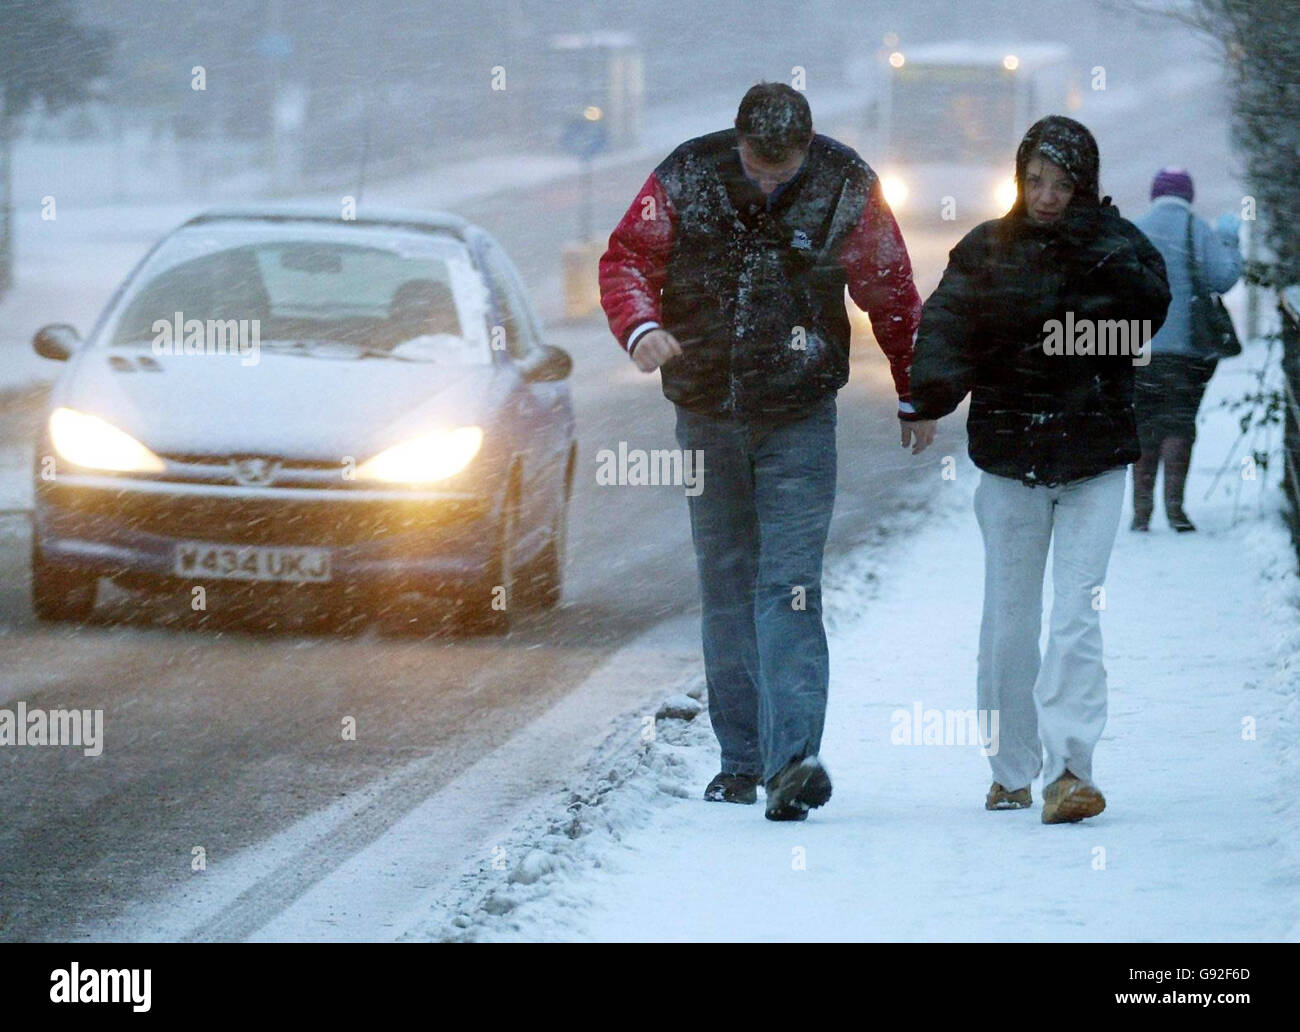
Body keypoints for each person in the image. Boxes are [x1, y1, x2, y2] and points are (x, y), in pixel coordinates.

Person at [598, 82, 933, 821]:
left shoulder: (845, 184)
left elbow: (891, 290)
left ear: (808, 146)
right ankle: (739, 761)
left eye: (786, 170)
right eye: (760, 165)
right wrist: (641, 326)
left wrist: (915, 391)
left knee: (789, 584)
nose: (773, 181)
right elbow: (626, 259)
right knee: (727, 584)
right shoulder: (687, 175)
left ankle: (792, 761)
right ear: (740, 139)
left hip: (799, 412)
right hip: (706, 412)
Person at [909, 115, 1170, 824]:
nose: (1048, 196)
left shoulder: (1119, 245)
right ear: (1020, 179)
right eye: (1036, 182)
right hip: (1011, 457)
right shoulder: (987, 249)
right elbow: (947, 325)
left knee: (1077, 616)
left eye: (1063, 184)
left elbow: (1150, 309)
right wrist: (927, 399)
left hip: (1093, 461)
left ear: (1085, 185)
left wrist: (1096, 247)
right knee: (1010, 624)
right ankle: (1010, 770)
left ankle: (1071, 770)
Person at [1130, 168, 1243, 532]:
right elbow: (1224, 278)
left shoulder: (1136, 230)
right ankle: (1175, 510)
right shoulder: (1198, 230)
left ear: (1155, 193)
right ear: (1188, 195)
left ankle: (1141, 511)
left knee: (1145, 426)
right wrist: (1228, 238)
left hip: (1140, 348)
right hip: (1186, 350)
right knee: (1179, 424)